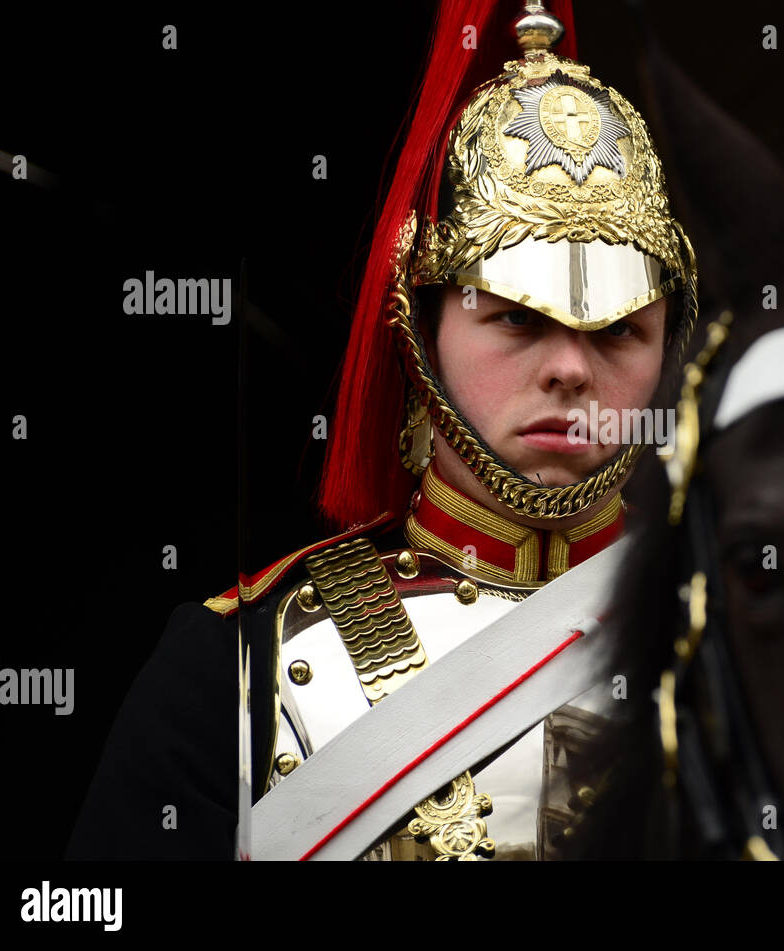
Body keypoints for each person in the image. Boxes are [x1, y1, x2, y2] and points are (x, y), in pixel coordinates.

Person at [67, 0, 697, 861]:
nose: (570, 369)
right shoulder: (232, 666)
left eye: (619, 328)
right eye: (517, 318)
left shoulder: (759, 632)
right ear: (419, 326)